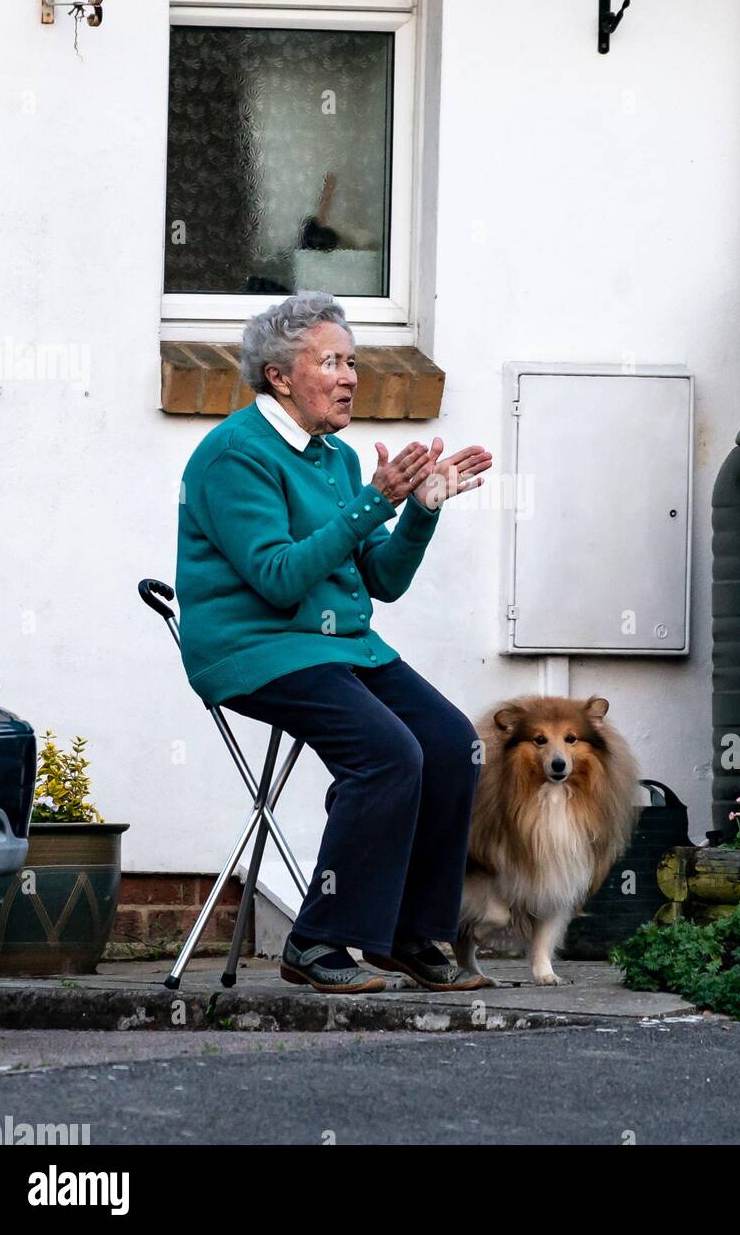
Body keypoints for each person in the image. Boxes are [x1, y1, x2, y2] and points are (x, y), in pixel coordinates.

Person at [175, 291, 493, 993]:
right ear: (281, 377)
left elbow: (381, 579)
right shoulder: (234, 456)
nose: (350, 377)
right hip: (257, 648)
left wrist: (420, 513)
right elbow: (278, 578)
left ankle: (408, 932)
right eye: (332, 362)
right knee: (387, 753)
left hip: (340, 648)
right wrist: (373, 501)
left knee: (451, 743)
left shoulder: (337, 457)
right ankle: (317, 941)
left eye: (353, 362)